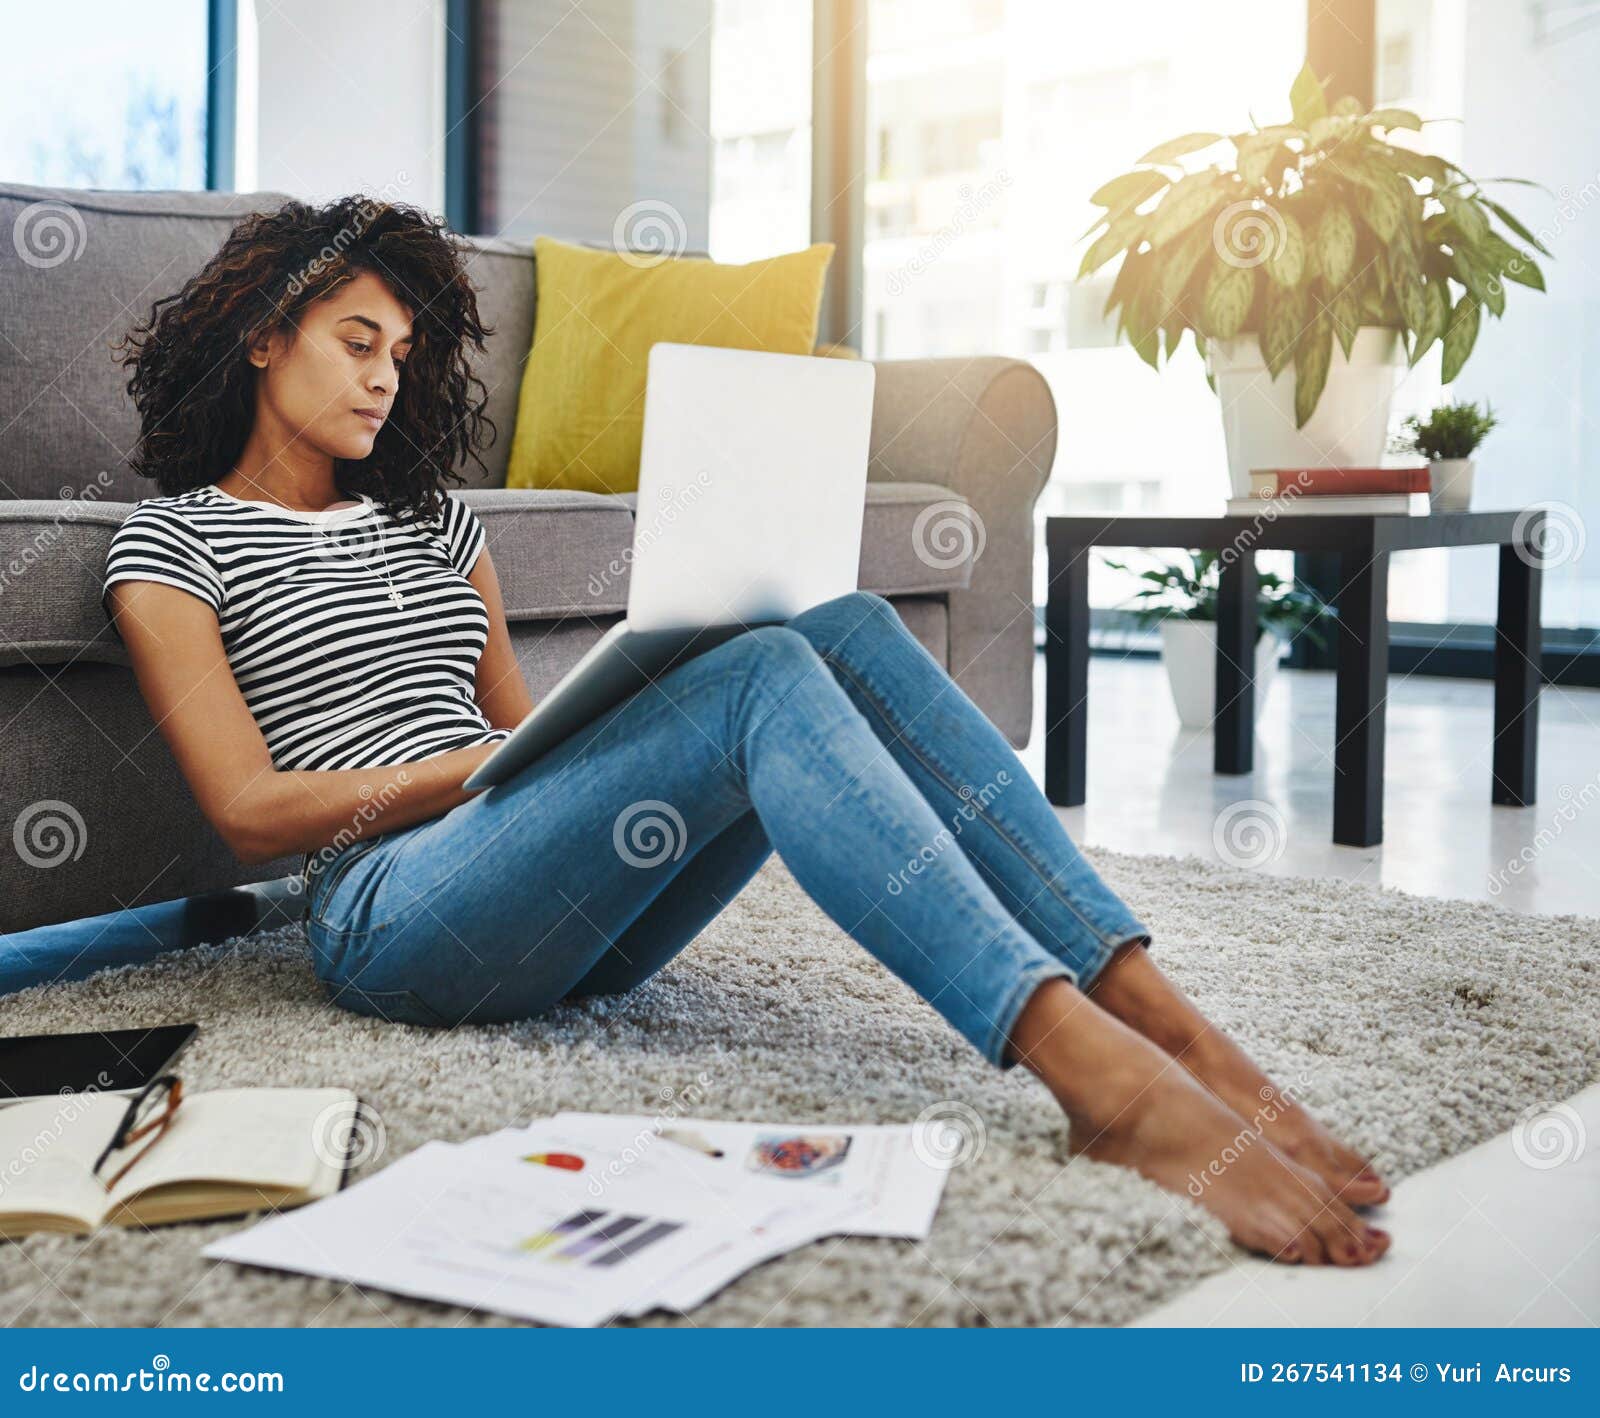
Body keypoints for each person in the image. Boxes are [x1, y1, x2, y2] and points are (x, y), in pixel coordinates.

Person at [102, 197, 1391, 1268]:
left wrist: (554, 738)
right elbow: (249, 813)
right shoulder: (173, 543)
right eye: (357, 341)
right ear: (270, 337)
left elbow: (522, 732)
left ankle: (1159, 1015)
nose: (389, 377)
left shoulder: (440, 523)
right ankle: (1091, 1073)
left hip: (541, 897)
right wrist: (477, 772)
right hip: (390, 920)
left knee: (836, 622)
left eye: (404, 353)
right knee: (764, 675)